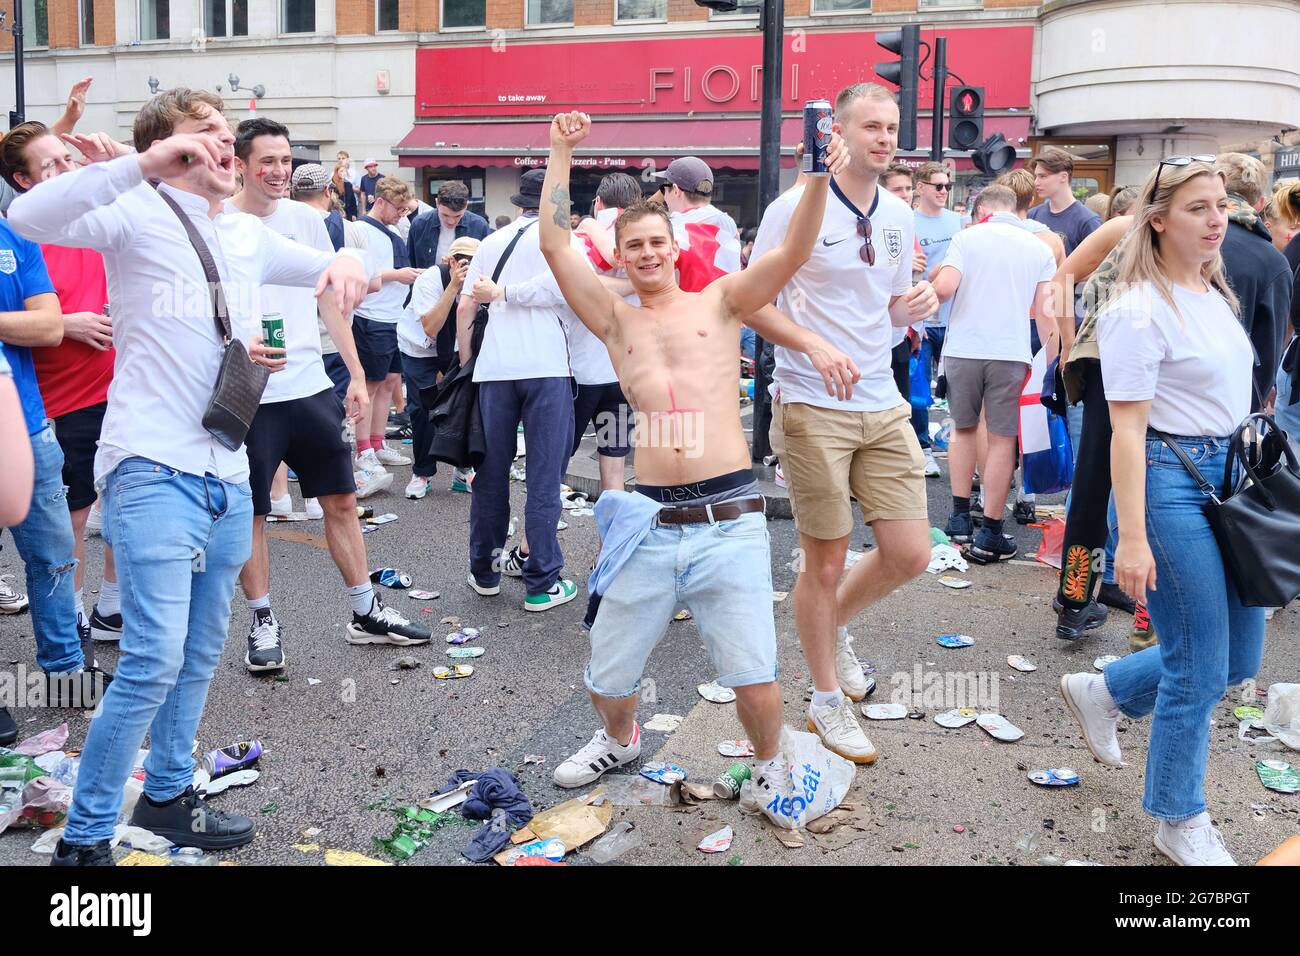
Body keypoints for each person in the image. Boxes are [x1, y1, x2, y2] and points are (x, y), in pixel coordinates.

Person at [8, 87, 370, 866]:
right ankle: (86, 840)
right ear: (167, 149)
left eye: (221, 131)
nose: (219, 142)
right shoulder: (132, 211)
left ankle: (170, 797)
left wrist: (345, 263)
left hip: (225, 476)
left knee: (200, 653)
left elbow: (333, 260)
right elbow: (27, 217)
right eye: (199, 132)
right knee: (150, 661)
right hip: (150, 471)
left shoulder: (242, 233)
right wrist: (140, 167)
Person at [538, 110, 858, 812]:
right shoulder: (614, 318)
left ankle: (772, 764)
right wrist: (560, 154)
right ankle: (621, 738)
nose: (648, 253)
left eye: (658, 241)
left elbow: (792, 256)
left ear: (674, 244)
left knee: (754, 679)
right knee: (608, 678)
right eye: (636, 246)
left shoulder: (720, 301)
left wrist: (815, 180)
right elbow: (557, 248)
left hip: (730, 519)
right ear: (620, 256)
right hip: (650, 522)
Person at [1059, 158, 1261, 866]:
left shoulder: (1212, 291)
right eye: (1199, 208)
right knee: (1199, 671)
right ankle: (1179, 819)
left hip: (1231, 485)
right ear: (1157, 219)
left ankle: (1105, 691)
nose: (1216, 221)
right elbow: (1128, 432)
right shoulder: (1136, 308)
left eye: (1222, 206)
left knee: (1240, 660)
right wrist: (1133, 539)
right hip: (1168, 484)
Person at [757, 83, 938, 766]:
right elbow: (752, 303)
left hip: (882, 398)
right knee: (826, 558)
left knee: (910, 552)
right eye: (871, 126)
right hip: (810, 400)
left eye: (892, 127)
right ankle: (826, 699)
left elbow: (889, 308)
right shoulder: (791, 208)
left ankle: (828, 630)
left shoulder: (897, 213)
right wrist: (811, 345)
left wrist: (913, 303)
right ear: (836, 131)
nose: (885, 138)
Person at [228, 118, 430, 672]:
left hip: (310, 384)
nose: (277, 171)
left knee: (341, 500)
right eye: (266, 160)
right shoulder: (218, 222)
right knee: (254, 513)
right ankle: (262, 619)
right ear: (241, 164)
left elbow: (329, 302)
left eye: (285, 160)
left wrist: (358, 375)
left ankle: (365, 612)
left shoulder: (307, 220)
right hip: (249, 392)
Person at [0, 122, 124, 646]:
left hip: (113, 386)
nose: (66, 170)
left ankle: (111, 609)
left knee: (120, 501)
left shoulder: (96, 218)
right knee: (65, 522)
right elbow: (42, 321)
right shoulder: (22, 231)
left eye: (66, 160)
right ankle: (70, 621)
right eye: (50, 165)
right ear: (24, 182)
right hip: (50, 399)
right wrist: (67, 322)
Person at [457, 169, 582, 612]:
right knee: (545, 476)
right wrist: (509, 292)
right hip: (546, 365)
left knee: (490, 474)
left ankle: (485, 570)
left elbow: (471, 303)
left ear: (519, 203)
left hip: (494, 368)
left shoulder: (492, 241)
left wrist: (466, 360)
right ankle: (541, 581)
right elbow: (565, 292)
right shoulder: (565, 240)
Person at [932, 185, 1058, 561]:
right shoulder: (1039, 249)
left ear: (982, 208)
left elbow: (945, 288)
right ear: (1016, 211)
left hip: (962, 349)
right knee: (1002, 439)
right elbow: (1045, 310)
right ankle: (991, 530)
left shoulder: (966, 238)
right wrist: (1054, 361)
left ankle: (957, 517)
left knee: (962, 428)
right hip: (1009, 352)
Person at [289, 164, 393, 502]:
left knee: (285, 415)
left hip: (289, 338)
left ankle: (287, 485)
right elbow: (373, 283)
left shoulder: (278, 226)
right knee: (335, 417)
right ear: (328, 193)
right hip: (334, 337)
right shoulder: (351, 230)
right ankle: (332, 489)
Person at [352, 176, 422, 479]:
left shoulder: (392, 229)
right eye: (398, 208)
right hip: (373, 316)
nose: (401, 214)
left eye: (405, 210)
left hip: (393, 315)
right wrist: (398, 274)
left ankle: (377, 443)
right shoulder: (360, 231)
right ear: (379, 201)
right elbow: (360, 274)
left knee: (391, 381)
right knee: (369, 385)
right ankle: (362, 448)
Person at [401, 235, 479, 498]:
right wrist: (453, 287)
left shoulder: (480, 280)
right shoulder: (431, 279)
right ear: (452, 261)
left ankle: (462, 469)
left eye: (476, 262)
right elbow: (431, 327)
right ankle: (422, 472)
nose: (470, 268)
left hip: (457, 349)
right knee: (423, 411)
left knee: (464, 407)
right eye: (465, 262)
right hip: (420, 350)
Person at [1213, 153, 1293, 407]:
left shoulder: (1174, 238)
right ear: (1260, 203)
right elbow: (1268, 353)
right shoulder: (1272, 261)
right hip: (1230, 404)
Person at [912, 161, 963, 478]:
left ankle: (960, 451)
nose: (944, 191)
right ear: (921, 188)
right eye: (938, 186)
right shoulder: (909, 221)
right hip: (922, 318)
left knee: (959, 392)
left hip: (955, 317)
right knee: (918, 391)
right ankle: (923, 450)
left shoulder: (958, 221)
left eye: (947, 186)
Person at [651, 156, 742, 291]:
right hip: (723, 306)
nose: (663, 196)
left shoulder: (669, 228)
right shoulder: (728, 223)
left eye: (664, 190)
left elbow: (633, 218)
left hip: (683, 306)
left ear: (675, 190)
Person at [1028, 146, 1103, 256]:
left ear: (1063, 177)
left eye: (1042, 176)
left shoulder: (1088, 221)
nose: (1036, 182)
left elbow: (1095, 265)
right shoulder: (1032, 215)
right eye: (1036, 176)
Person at [408, 180, 491, 271]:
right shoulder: (419, 224)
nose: (451, 222)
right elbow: (410, 264)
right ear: (437, 203)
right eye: (445, 215)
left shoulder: (479, 226)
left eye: (457, 216)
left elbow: (487, 264)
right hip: (428, 283)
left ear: (466, 206)